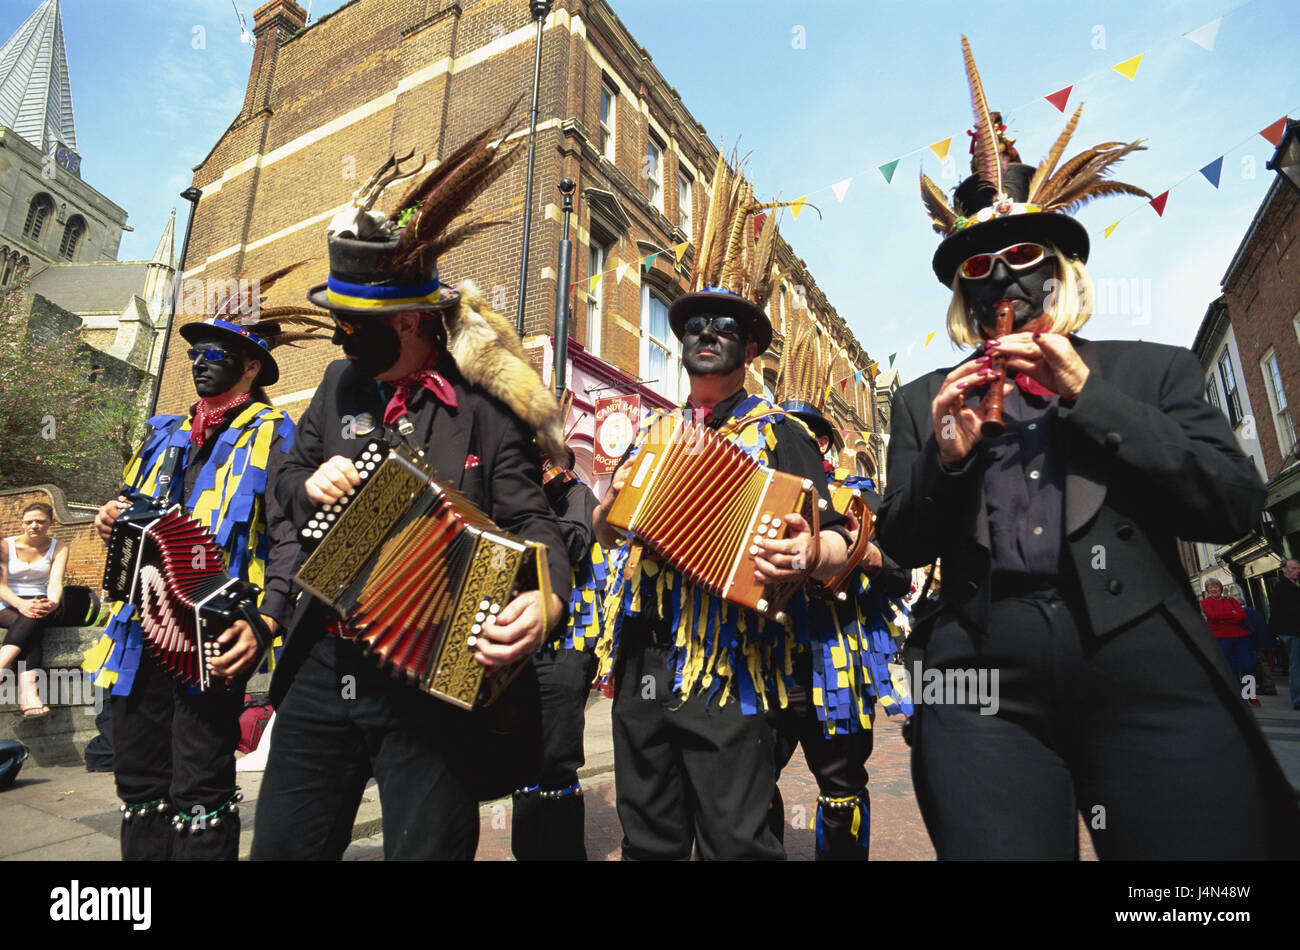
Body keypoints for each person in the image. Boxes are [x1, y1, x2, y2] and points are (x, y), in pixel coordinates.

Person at [876, 36, 1300, 859]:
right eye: (980, 266)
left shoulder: (1153, 372)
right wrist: (949, 458)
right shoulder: (926, 400)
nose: (1002, 278)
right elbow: (899, 543)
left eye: (1024, 255)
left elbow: (1231, 501)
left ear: (1062, 266)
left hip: (1146, 671)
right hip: (979, 679)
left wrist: (1087, 395)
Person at [251, 122, 570, 862]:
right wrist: (310, 485)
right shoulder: (338, 387)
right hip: (325, 662)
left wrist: (547, 599)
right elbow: (285, 484)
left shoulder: (486, 411)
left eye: (359, 330)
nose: (342, 343)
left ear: (412, 321)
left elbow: (533, 521)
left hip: (435, 679)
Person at [593, 158, 851, 860]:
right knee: (647, 836)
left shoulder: (782, 436)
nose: (706, 334)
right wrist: (604, 510)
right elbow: (604, 535)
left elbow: (837, 536)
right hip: (645, 656)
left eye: (724, 327)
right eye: (694, 324)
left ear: (751, 348)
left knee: (737, 842)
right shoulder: (654, 432)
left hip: (732, 665)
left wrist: (807, 552)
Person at [82, 270, 312, 860]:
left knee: (199, 782)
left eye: (218, 353)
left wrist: (269, 620)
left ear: (252, 366)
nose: (200, 362)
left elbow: (291, 538)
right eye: (196, 352)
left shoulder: (272, 434)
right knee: (137, 779)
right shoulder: (163, 434)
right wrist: (112, 519)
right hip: (138, 627)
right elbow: (133, 515)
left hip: (208, 639)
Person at [767, 326, 912, 859]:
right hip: (769, 664)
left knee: (841, 786)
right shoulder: (760, 496)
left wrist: (860, 554)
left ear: (822, 442)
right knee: (750, 778)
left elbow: (901, 572)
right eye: (782, 434)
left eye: (804, 434)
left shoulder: (862, 497)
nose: (790, 445)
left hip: (836, 666)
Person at [511, 451, 607, 861]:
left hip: (568, 644)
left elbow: (572, 545)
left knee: (557, 759)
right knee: (520, 758)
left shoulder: (577, 495)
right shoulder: (510, 500)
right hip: (520, 647)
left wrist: (531, 510)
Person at [1, 502, 70, 717]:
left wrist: (52, 603)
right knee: (32, 622)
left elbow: (56, 583)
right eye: (28, 521)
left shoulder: (59, 547)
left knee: (36, 613)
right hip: (4, 600)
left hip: (38, 600)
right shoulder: (4, 545)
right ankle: (29, 693)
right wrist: (21, 604)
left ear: (50, 523)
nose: (34, 526)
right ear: (21, 523)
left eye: (40, 521)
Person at [1200, 579, 1257, 704]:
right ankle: (1239, 695)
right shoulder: (1205, 602)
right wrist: (1232, 615)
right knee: (1231, 668)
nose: (1214, 589)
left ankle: (1250, 693)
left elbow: (1242, 615)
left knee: (1248, 665)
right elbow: (1213, 616)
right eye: (1211, 587)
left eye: (1216, 587)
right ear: (1207, 589)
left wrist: (1224, 618)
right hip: (1222, 638)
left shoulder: (1231, 600)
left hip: (1241, 637)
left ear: (1220, 588)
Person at [1269, 560, 1300, 710]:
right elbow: (1291, 612)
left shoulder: (1290, 586)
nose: (1298, 571)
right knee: (1297, 665)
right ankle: (1298, 700)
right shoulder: (1283, 587)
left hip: (1291, 631)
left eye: (1298, 568)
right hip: (1293, 632)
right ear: (1284, 570)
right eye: (1294, 568)